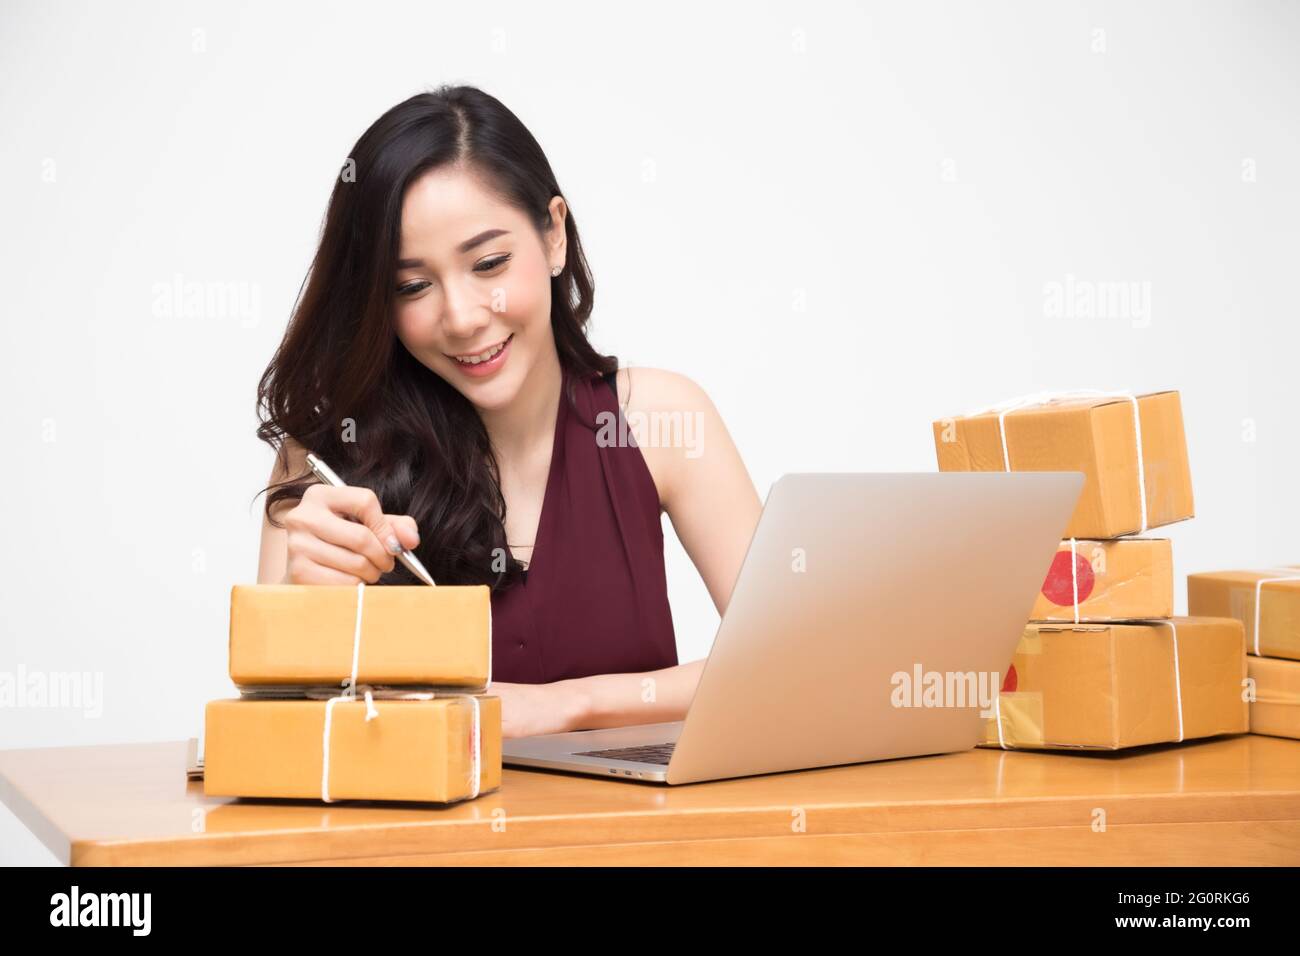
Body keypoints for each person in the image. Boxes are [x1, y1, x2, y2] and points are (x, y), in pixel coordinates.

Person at [253, 85, 761, 739]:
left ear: (553, 234)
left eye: (488, 263)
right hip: (407, 843)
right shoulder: (322, 463)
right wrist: (303, 602)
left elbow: (788, 664)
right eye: (412, 286)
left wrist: (564, 706)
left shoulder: (658, 420)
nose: (462, 318)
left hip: (627, 842)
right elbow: (273, 740)